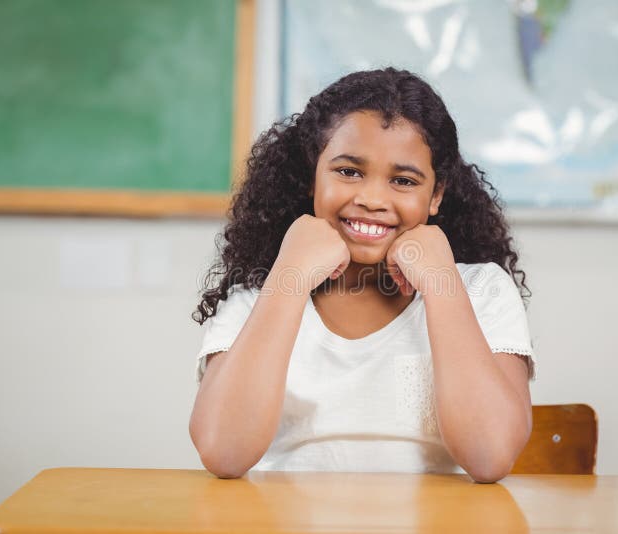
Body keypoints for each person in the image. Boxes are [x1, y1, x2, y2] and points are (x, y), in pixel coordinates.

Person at [189, 67, 535, 483]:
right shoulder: (258, 295)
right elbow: (224, 453)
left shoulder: (482, 291)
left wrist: (442, 282)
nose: (372, 199)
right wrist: (290, 275)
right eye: (349, 172)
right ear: (311, 176)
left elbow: (491, 456)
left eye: (403, 180)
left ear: (436, 195)